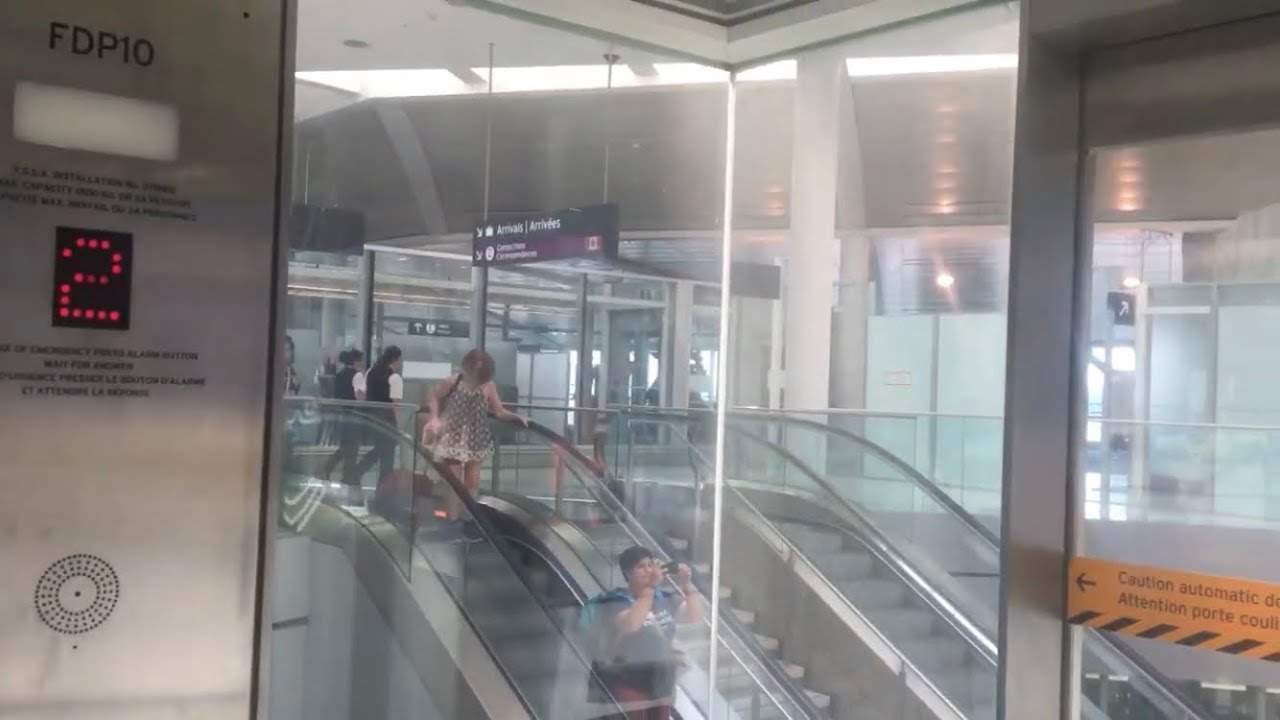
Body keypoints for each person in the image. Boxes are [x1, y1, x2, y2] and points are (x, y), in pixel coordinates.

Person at [582, 546, 702, 720]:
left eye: (650, 565)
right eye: (641, 566)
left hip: (661, 685)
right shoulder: (616, 601)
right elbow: (631, 624)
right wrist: (650, 589)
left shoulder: (662, 598)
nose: (648, 570)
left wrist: (687, 584)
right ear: (628, 573)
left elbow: (694, 615)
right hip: (629, 686)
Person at [423, 349, 526, 537]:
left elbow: (498, 410)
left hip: (475, 436)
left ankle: (468, 518)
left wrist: (514, 416)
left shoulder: (487, 386)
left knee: (472, 481)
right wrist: (435, 418)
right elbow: (436, 398)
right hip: (453, 435)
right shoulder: (453, 382)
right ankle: (453, 521)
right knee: (454, 481)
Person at [350, 346, 404, 487]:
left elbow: (360, 393)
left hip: (372, 416)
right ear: (396, 360)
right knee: (387, 454)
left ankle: (357, 473)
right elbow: (395, 404)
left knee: (381, 449)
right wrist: (398, 425)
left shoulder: (370, 372)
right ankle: (382, 485)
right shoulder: (394, 377)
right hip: (387, 418)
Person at [320, 349, 365, 487]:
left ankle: (330, 469)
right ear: (357, 361)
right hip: (353, 415)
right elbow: (359, 396)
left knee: (345, 446)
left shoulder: (339, 375)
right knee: (352, 448)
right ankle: (347, 478)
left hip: (340, 415)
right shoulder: (357, 375)